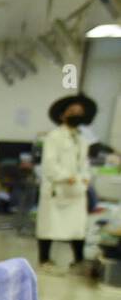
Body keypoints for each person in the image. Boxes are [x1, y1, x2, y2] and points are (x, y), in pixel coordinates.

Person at [36, 94, 95, 276]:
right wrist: (66, 176)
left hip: (77, 190)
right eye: (72, 112)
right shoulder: (54, 137)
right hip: (57, 189)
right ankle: (44, 260)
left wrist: (85, 177)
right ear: (62, 115)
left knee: (78, 227)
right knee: (49, 225)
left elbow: (84, 163)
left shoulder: (82, 139)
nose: (76, 115)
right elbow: (49, 165)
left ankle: (78, 261)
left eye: (80, 112)